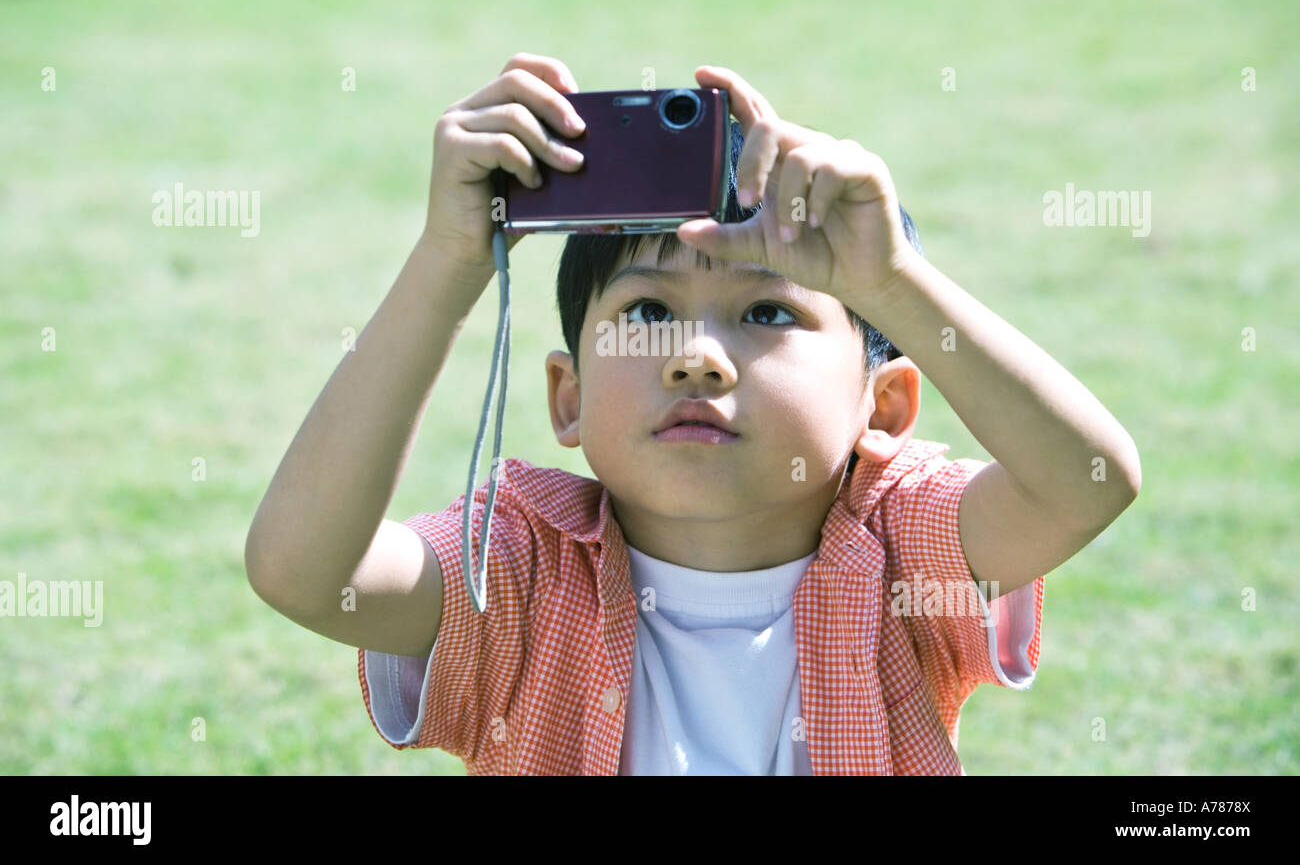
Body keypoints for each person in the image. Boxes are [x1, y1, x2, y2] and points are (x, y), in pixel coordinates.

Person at [244, 52, 1141, 775]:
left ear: (888, 405)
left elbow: (1088, 482)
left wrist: (890, 281)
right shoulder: (517, 572)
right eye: (645, 313)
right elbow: (305, 570)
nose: (694, 355)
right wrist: (449, 258)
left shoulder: (903, 546)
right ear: (569, 397)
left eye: (766, 313)